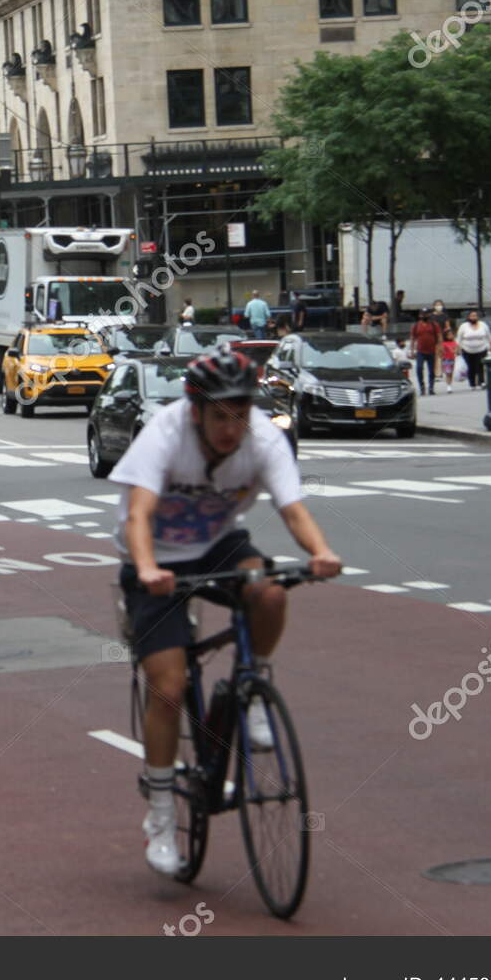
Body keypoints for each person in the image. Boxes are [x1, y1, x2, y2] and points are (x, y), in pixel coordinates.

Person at [109, 349, 342, 876]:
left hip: (216, 545)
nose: (231, 428)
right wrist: (146, 569)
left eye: (240, 414)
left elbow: (292, 509)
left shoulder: (263, 439)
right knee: (168, 686)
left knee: (270, 591)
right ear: (196, 412)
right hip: (155, 557)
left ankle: (254, 685)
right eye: (219, 416)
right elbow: (139, 514)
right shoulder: (165, 434)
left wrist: (321, 553)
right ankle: (161, 815)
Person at [455, 309, 491, 389]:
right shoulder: (464, 326)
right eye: (472, 316)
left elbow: (489, 335)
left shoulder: (483, 325)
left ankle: (482, 382)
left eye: (475, 316)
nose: (473, 317)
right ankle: (472, 384)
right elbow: (459, 338)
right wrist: (457, 348)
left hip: (482, 349)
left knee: (480, 365)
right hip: (467, 350)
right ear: (469, 317)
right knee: (471, 367)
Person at [409, 310, 441, 395]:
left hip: (432, 350)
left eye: (426, 314)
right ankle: (422, 386)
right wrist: (411, 351)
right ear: (420, 315)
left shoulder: (434, 325)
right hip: (420, 351)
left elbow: (439, 336)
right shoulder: (416, 325)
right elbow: (412, 338)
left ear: (429, 315)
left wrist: (440, 348)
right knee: (419, 368)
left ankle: (431, 387)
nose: (424, 316)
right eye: (422, 314)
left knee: (432, 370)